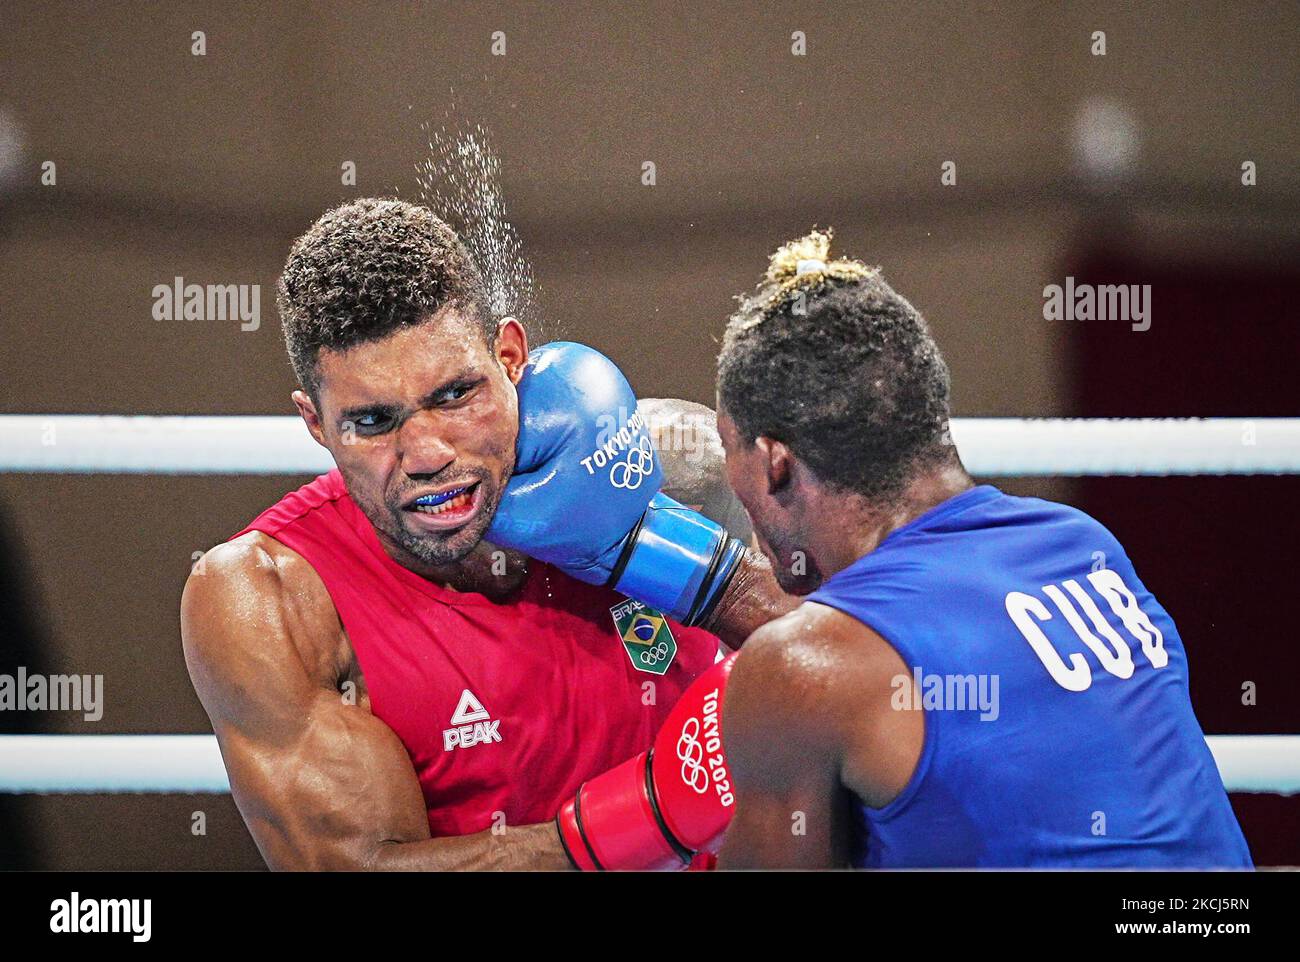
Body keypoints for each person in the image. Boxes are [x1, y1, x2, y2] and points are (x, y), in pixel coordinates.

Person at [180, 198, 791, 870]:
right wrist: (648, 816)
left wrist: (685, 568)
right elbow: (357, 868)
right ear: (318, 425)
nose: (426, 453)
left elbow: (864, 662)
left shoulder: (674, 469)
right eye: (375, 421)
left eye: (454, 395)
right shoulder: (272, 599)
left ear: (510, 355)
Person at [699, 229, 1252, 868]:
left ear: (773, 462)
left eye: (726, 445)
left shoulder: (800, 668)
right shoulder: (1082, 547)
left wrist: (621, 828)